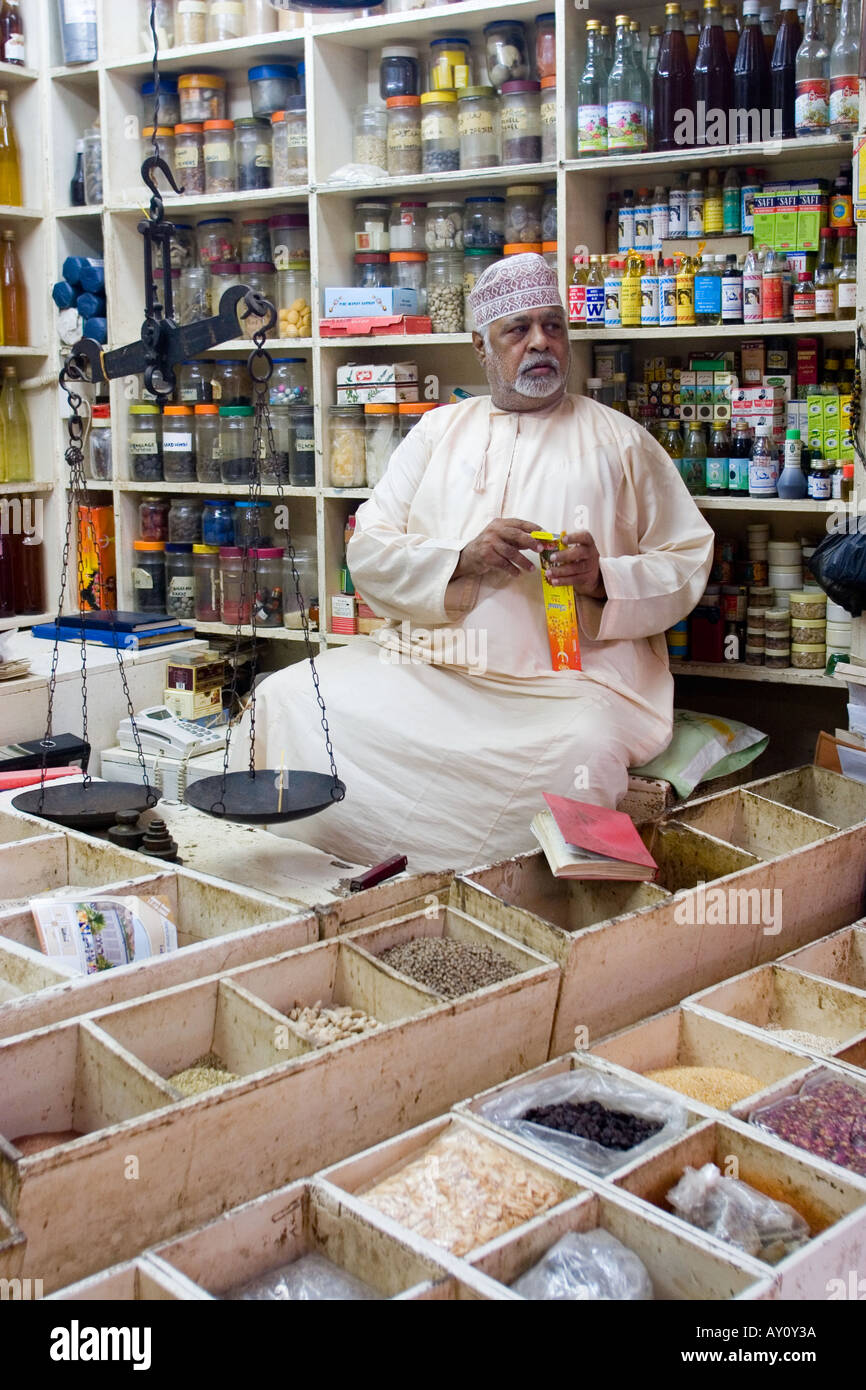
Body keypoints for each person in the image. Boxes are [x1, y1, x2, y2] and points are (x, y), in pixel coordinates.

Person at [232, 253, 714, 872]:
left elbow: (685, 559)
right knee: (291, 695)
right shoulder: (437, 433)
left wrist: (602, 578)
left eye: (553, 326)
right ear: (481, 347)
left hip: (565, 686)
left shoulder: (619, 440)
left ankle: (528, 902)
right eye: (518, 330)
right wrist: (461, 560)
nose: (541, 343)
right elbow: (368, 549)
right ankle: (312, 870)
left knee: (583, 751)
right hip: (429, 669)